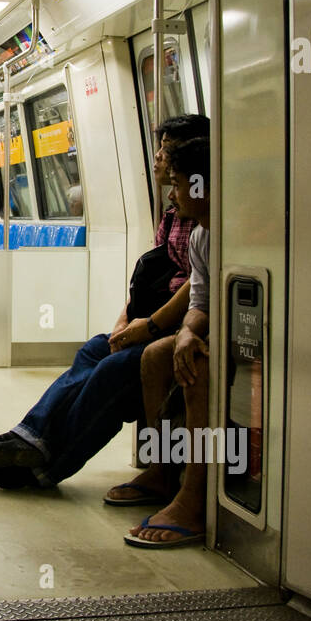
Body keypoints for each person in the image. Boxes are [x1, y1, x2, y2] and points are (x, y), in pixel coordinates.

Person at [0, 114, 209, 496]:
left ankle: (45, 468)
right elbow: (154, 273)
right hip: (155, 315)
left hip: (173, 321)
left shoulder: (206, 223)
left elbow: (198, 287)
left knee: (113, 371)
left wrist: (148, 326)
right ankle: (30, 436)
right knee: (94, 350)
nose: (158, 158)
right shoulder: (174, 215)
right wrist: (126, 320)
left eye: (166, 151)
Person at [125, 136, 211, 548]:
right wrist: (189, 330)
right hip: (209, 328)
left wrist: (191, 337)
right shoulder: (200, 237)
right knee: (155, 356)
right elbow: (200, 300)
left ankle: (193, 498)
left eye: (178, 185)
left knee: (196, 366)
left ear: (200, 185)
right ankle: (163, 468)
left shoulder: (237, 231)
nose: (173, 196)